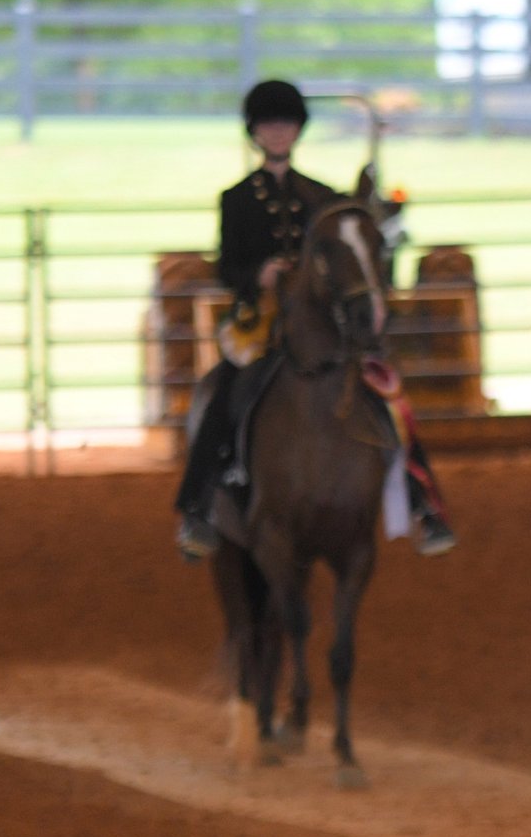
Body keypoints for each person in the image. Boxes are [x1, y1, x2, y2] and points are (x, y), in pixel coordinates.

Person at [173, 79, 456, 560]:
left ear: (298, 130)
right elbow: (227, 265)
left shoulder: (321, 196)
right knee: (223, 395)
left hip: (321, 326)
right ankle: (197, 508)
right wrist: (258, 273)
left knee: (385, 399)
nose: (277, 132)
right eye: (268, 125)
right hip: (263, 324)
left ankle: (423, 505)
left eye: (285, 123)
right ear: (255, 132)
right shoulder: (237, 198)